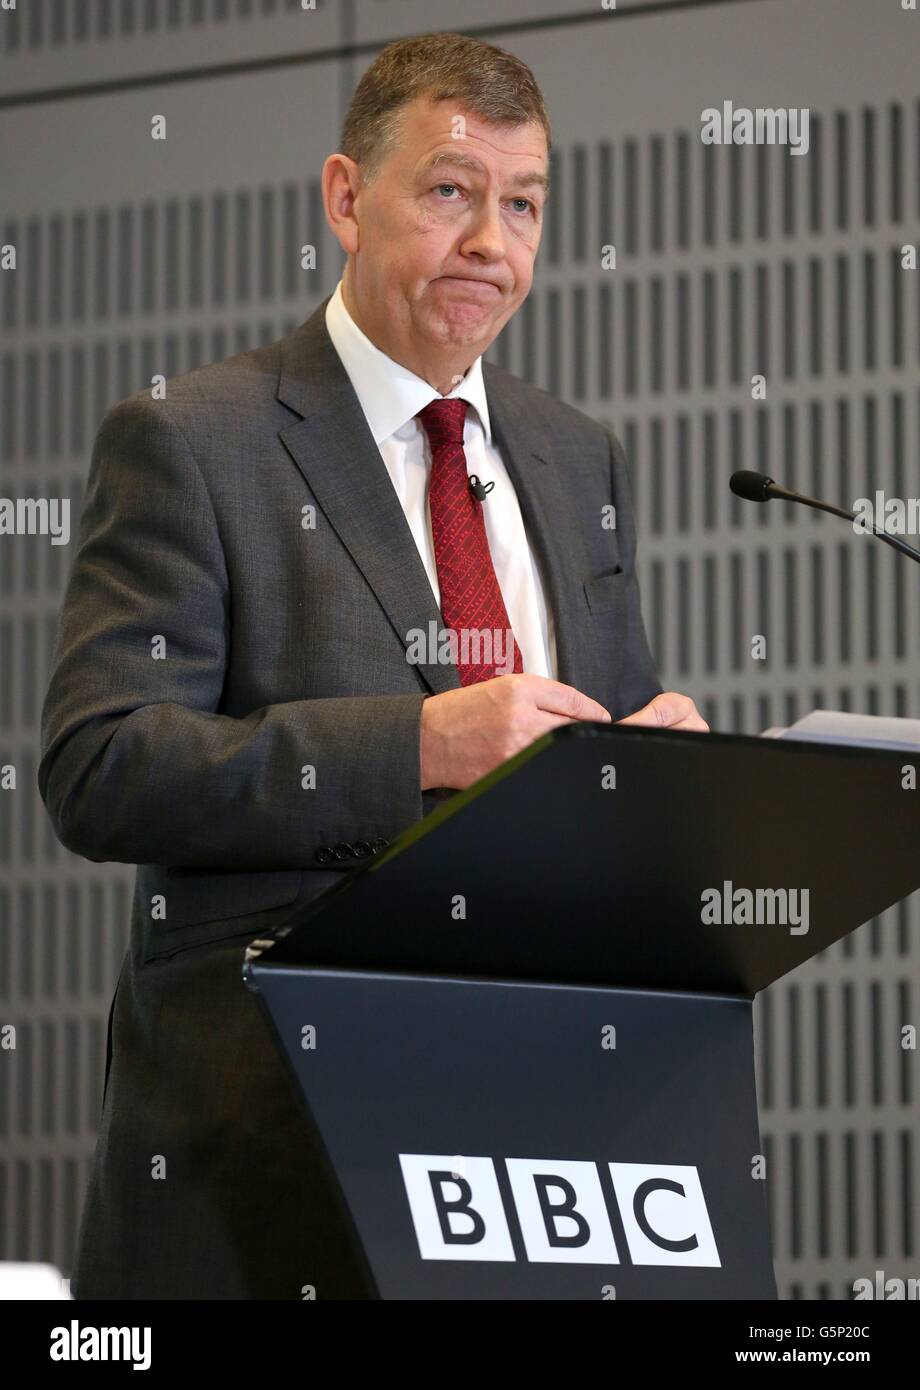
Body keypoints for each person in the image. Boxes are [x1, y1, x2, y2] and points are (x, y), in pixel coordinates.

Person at [39, 30, 707, 1300]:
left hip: (536, 1140)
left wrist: (648, 781)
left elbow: (580, 763)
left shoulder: (579, 457)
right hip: (265, 1150)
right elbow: (100, 762)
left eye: (523, 205)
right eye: (450, 191)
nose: (491, 245)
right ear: (346, 197)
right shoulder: (195, 439)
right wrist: (415, 748)